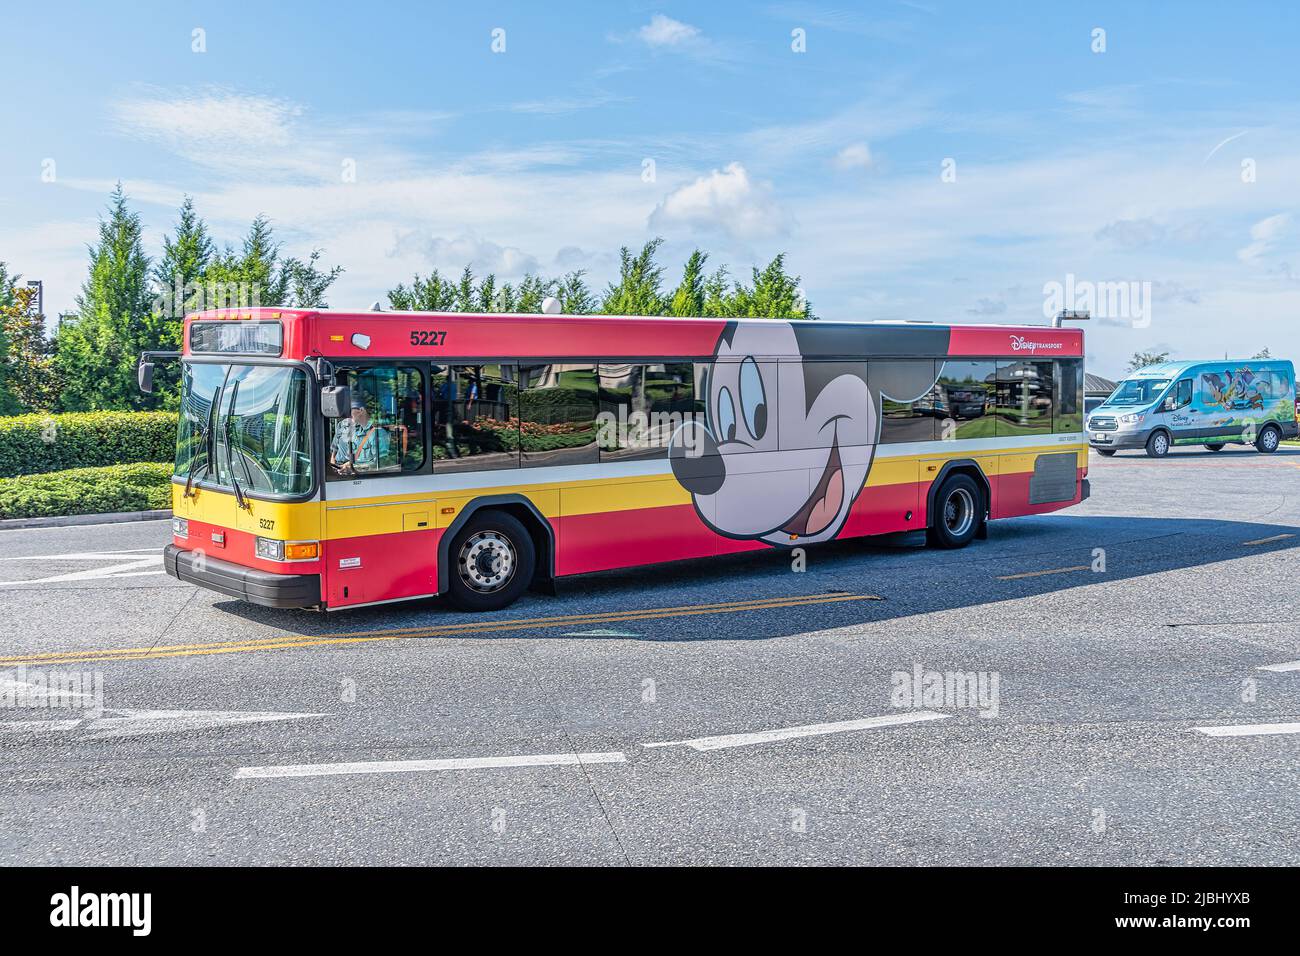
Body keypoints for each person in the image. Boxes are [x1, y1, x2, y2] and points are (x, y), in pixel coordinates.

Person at [330, 398, 390, 475]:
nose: (347, 414)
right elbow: (336, 446)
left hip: (362, 478)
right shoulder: (346, 425)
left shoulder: (378, 433)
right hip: (341, 473)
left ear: (361, 410)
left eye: (350, 410)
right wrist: (333, 461)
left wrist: (353, 468)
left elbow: (382, 463)